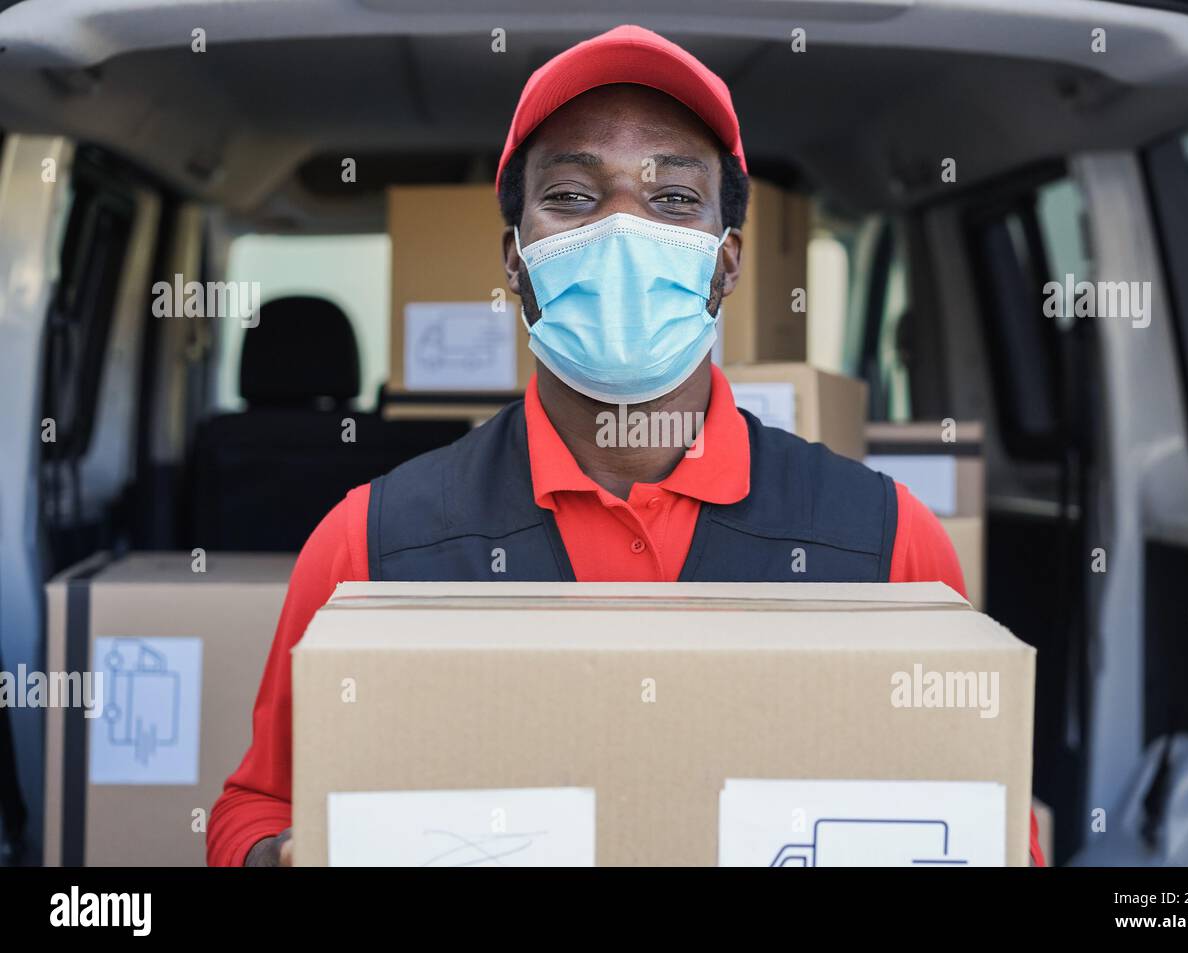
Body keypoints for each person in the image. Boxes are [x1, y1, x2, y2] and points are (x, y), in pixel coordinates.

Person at [208, 24, 1043, 867]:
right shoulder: (368, 544)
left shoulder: (888, 542)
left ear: (726, 263)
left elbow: (988, 816)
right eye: (572, 195)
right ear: (516, 259)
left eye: (673, 199)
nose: (620, 229)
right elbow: (257, 805)